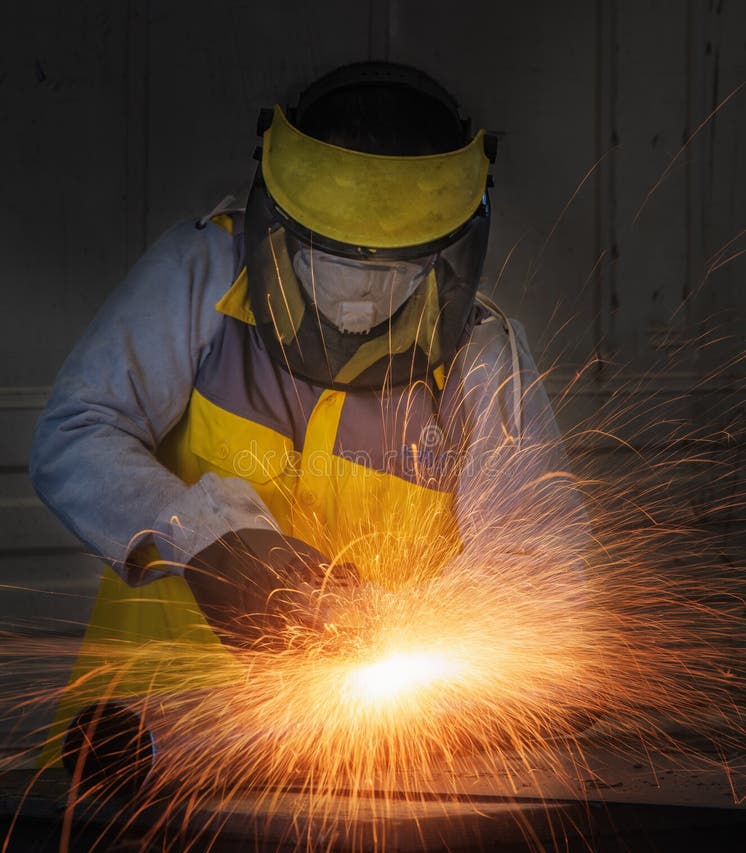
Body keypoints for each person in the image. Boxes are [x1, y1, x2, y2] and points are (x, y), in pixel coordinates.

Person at [31, 63, 588, 749]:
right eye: (327, 259)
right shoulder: (202, 273)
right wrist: (206, 540)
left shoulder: (483, 357)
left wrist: (389, 623)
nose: (356, 293)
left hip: (369, 763)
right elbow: (75, 434)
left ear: (444, 248)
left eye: (387, 269)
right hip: (134, 747)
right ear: (281, 221)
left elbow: (539, 572)